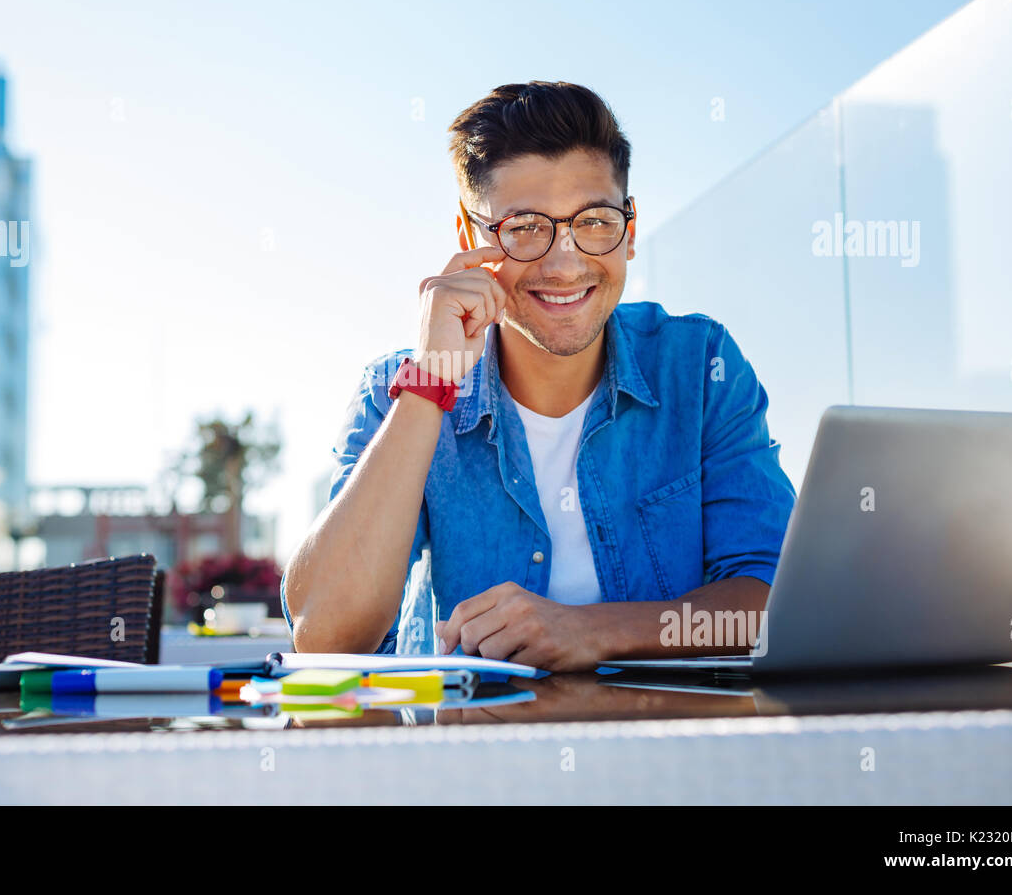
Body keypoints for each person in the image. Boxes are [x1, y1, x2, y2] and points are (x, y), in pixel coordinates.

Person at [282, 81, 796, 671]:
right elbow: (325, 636)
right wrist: (429, 383)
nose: (565, 262)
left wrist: (592, 631)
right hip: (468, 753)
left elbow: (772, 600)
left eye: (595, 221)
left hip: (667, 749)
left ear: (629, 232)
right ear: (470, 237)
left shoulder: (700, 368)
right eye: (525, 227)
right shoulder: (395, 391)